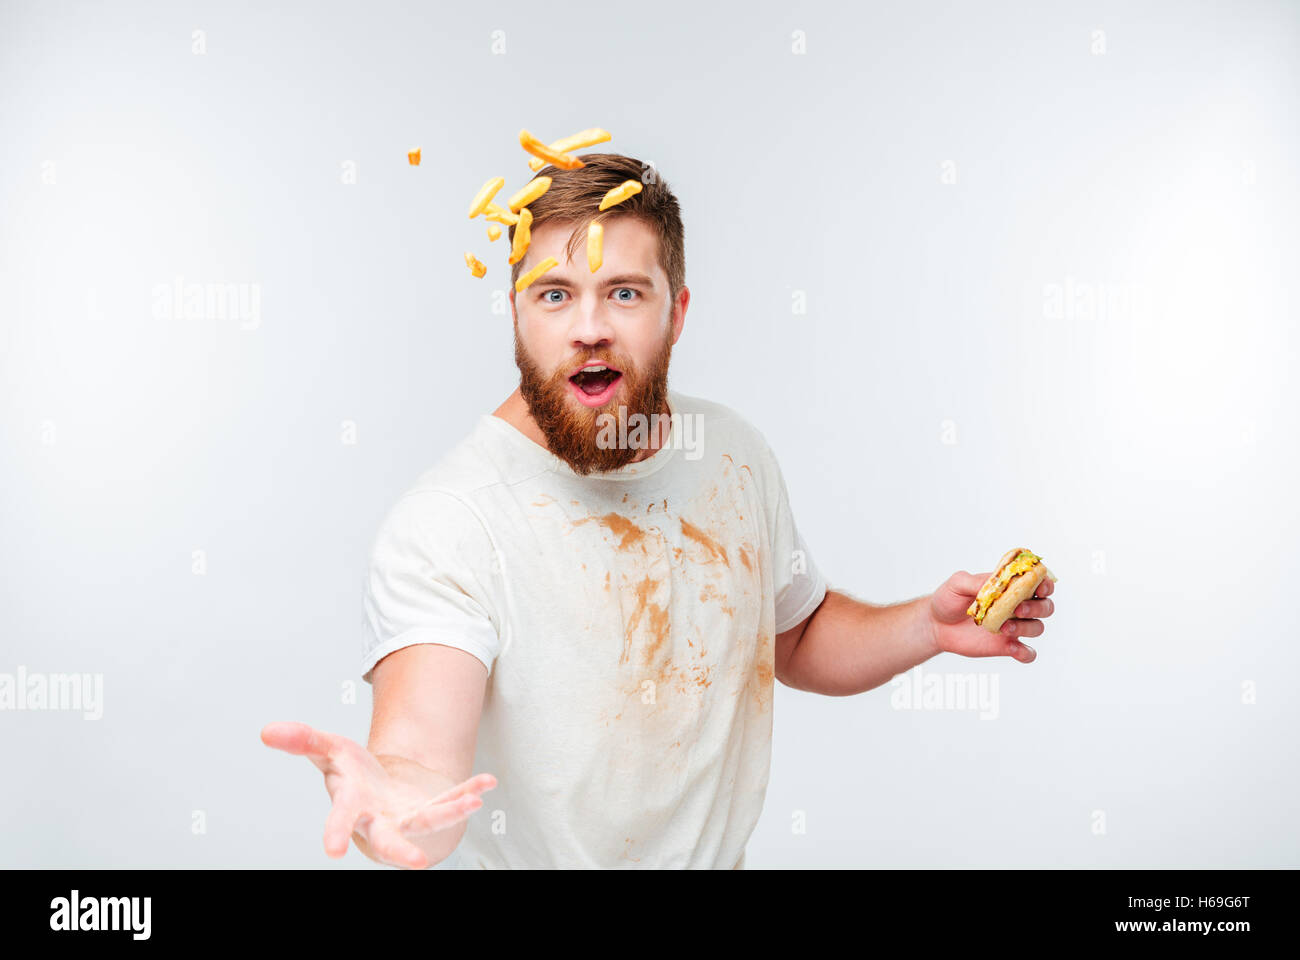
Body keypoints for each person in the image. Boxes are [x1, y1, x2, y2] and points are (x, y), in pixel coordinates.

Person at [261, 153, 1056, 869]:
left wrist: (926, 627)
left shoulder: (733, 453)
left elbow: (796, 634)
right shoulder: (450, 521)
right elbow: (421, 754)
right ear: (516, 313)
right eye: (554, 295)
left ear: (676, 312)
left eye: (624, 293)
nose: (590, 328)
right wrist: (394, 798)